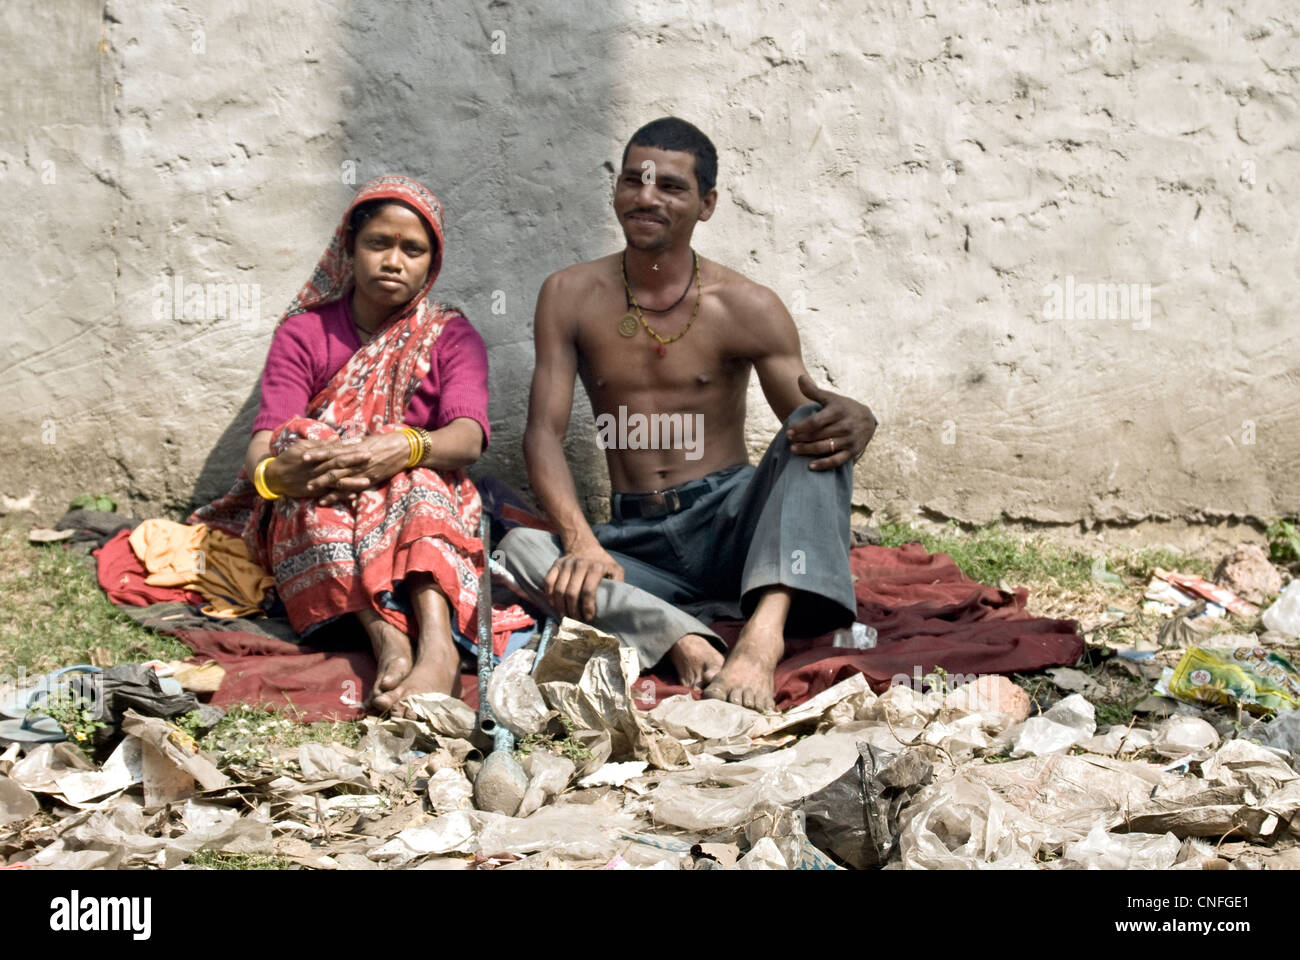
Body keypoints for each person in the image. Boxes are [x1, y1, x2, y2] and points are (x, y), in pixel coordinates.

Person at [498, 117, 878, 712]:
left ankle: (763, 633)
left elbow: (807, 422)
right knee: (522, 548)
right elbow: (542, 433)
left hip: (733, 525)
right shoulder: (569, 294)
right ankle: (679, 634)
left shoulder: (747, 305)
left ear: (707, 204)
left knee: (813, 425)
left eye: (670, 187)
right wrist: (579, 539)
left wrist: (855, 421)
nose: (646, 196)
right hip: (634, 544)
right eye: (634, 181)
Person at [192, 175, 527, 716]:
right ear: (349, 250)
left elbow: (467, 438)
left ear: (431, 262)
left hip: (419, 500)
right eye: (379, 244)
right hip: (322, 495)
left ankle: (437, 647)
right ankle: (388, 642)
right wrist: (281, 476)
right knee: (307, 441)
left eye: (411, 249)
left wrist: (403, 448)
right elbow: (263, 447)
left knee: (417, 481)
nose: (394, 260)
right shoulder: (306, 334)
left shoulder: (449, 336)